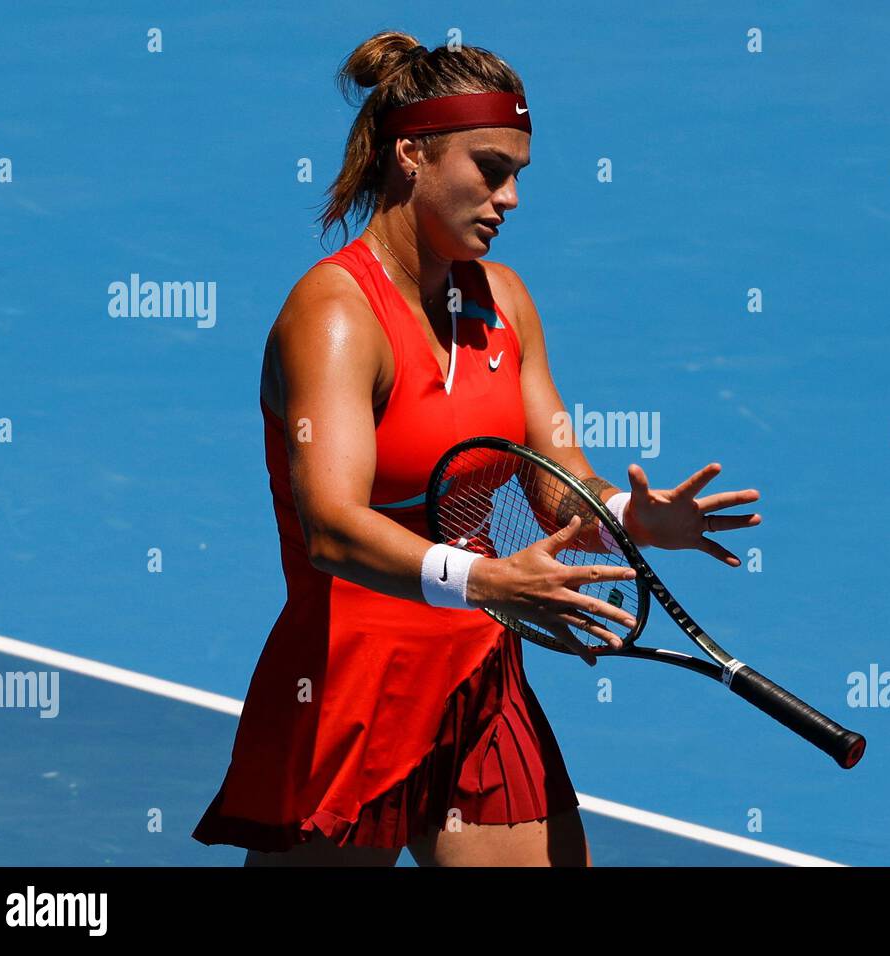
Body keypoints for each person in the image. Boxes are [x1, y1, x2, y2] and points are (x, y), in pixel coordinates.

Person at [191, 30, 761, 867]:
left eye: (519, 174)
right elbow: (332, 529)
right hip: (350, 691)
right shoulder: (338, 316)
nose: (511, 198)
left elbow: (556, 481)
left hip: (477, 675)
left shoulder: (505, 302)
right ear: (411, 154)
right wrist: (488, 579)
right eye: (491, 168)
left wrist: (627, 514)